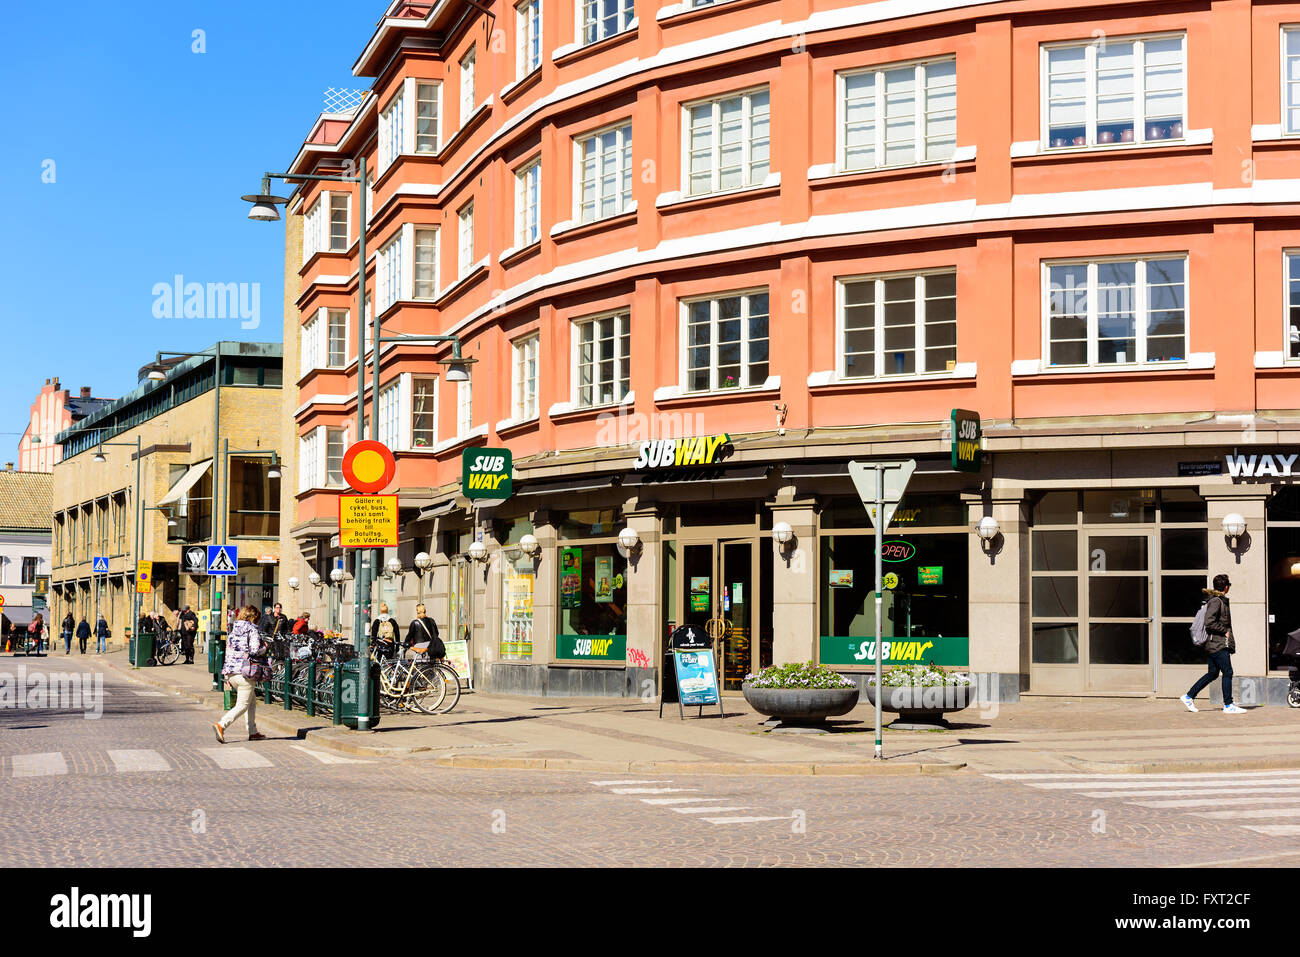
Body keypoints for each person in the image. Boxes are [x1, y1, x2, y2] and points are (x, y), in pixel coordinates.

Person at [1182, 574, 1247, 714]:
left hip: (1214, 644)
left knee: (1212, 673)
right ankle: (1228, 705)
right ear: (1226, 586)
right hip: (1217, 644)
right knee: (1228, 672)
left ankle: (1188, 697)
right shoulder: (1217, 601)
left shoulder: (1217, 600)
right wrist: (1224, 631)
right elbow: (1209, 622)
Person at [214, 606, 269, 744]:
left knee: (251, 701)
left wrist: (226, 674)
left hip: (232, 673)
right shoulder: (252, 629)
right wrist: (265, 648)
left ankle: (253, 731)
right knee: (242, 705)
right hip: (245, 672)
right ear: (254, 617)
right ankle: (221, 725)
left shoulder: (233, 630)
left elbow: (228, 652)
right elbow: (255, 650)